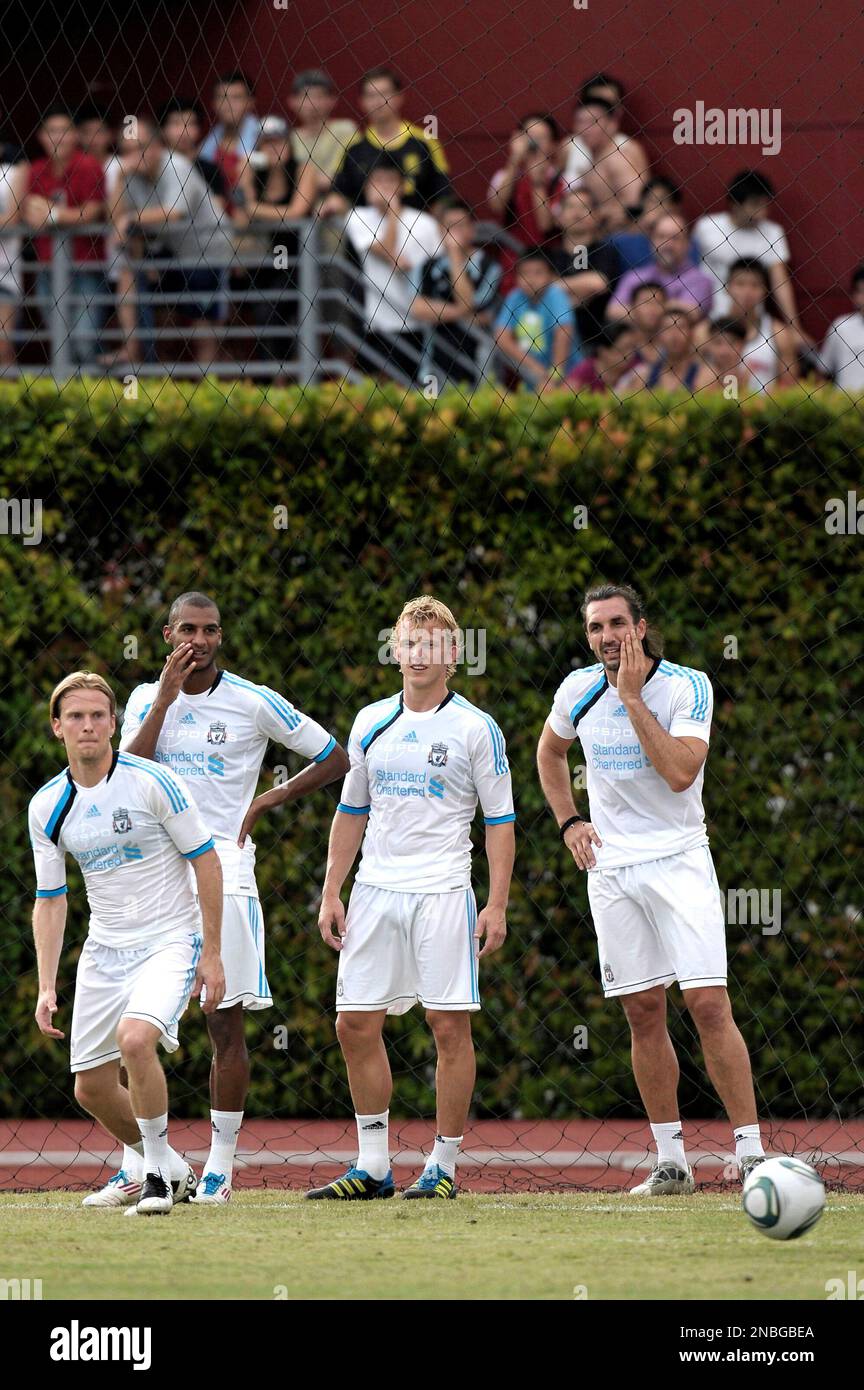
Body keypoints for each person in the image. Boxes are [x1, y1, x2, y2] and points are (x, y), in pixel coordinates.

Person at [536, 583, 766, 1193]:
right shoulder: (575, 690)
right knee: (642, 1011)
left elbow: (679, 772)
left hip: (680, 861)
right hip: (610, 871)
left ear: (640, 626)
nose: (606, 636)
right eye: (594, 627)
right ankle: (673, 1163)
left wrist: (632, 699)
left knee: (709, 1005)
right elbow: (549, 752)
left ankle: (752, 1155)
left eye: (617, 623)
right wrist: (569, 821)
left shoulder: (688, 686)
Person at [118, 592, 347, 1204]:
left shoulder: (250, 700)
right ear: (168, 635)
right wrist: (163, 703)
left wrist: (268, 800)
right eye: (188, 629)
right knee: (132, 1020)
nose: (200, 640)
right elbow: (124, 776)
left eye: (211, 630)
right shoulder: (146, 698)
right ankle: (139, 1164)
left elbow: (334, 756)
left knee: (224, 1026)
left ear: (222, 635)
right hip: (153, 878)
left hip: (225, 868)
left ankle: (219, 1166)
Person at [308, 595, 515, 1200]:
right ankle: (373, 1166)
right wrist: (332, 892)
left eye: (432, 644)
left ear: (453, 655)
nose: (419, 653)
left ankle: (444, 1167)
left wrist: (495, 903)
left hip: (444, 892)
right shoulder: (371, 720)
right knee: (353, 1024)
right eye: (409, 642)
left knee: (447, 1027)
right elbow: (351, 811)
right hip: (374, 892)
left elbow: (500, 820)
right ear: (394, 651)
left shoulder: (477, 728)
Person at [28, 671, 225, 1214]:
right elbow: (50, 898)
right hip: (104, 949)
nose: (87, 725)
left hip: (169, 938)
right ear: (57, 728)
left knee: (136, 1040)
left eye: (97, 715)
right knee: (90, 1089)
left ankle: (157, 1178)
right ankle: (171, 1169)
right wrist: (47, 986)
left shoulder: (152, 781)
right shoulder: (46, 806)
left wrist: (211, 952)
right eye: (75, 717)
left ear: (113, 722)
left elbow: (206, 862)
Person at [112, 116, 236, 367]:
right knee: (131, 280)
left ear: (158, 146)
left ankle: (207, 395)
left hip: (208, 252)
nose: (136, 156)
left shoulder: (176, 165)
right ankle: (132, 351)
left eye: (141, 147)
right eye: (128, 151)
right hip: (169, 251)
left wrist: (130, 218)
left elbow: (173, 212)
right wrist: (117, 179)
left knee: (204, 331)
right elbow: (118, 224)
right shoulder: (129, 174)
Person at [19, 107, 106, 368]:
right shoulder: (35, 169)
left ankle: (95, 401)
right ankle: (68, 402)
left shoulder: (88, 165)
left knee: (84, 341)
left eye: (64, 131)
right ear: (41, 136)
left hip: (86, 266)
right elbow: (28, 211)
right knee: (60, 342)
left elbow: (90, 213)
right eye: (51, 131)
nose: (58, 137)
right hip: (47, 267)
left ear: (75, 136)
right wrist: (61, 214)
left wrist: (52, 215)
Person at [344, 155, 441, 382]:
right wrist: (394, 212)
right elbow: (386, 250)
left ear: (402, 186)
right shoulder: (357, 217)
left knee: (411, 389)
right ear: (367, 186)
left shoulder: (425, 223)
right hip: (376, 322)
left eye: (391, 181)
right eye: (378, 181)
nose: (385, 187)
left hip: (417, 323)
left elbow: (437, 269)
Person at [237, 115, 318, 370]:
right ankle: (275, 378)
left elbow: (297, 212)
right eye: (267, 144)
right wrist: (247, 170)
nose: (275, 149)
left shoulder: (303, 169)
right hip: (262, 257)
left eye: (280, 142)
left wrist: (254, 209)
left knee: (287, 314)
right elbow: (241, 216)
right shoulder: (252, 170)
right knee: (264, 313)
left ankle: (289, 376)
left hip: (297, 256)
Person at [321, 67, 451, 216]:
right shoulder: (353, 147)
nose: (377, 101)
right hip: (366, 236)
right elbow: (340, 194)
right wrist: (331, 205)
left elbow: (442, 196)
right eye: (371, 95)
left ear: (399, 97)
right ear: (362, 102)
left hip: (415, 233)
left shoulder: (425, 142)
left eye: (384, 94)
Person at [694, 170, 802, 336]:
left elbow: (780, 282)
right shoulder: (707, 227)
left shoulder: (773, 233)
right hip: (707, 316)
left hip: (752, 321)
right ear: (735, 204)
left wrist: (795, 328)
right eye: (755, 204)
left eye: (765, 204)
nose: (762, 211)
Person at [410, 200, 501, 388]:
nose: (454, 232)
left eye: (460, 226)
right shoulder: (427, 266)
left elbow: (469, 302)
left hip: (477, 361)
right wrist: (465, 312)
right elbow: (418, 308)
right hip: (434, 360)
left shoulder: (490, 267)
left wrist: (454, 257)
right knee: (432, 413)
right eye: (449, 226)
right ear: (440, 230)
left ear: (472, 230)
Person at [487, 114, 566, 293]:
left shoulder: (562, 180)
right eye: (528, 136)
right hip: (512, 261)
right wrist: (515, 160)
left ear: (553, 145)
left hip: (548, 261)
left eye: (541, 137)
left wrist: (537, 183)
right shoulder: (505, 176)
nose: (533, 143)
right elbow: (496, 206)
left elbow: (546, 225)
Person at [494, 248, 581, 391]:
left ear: (551, 276)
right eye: (525, 273)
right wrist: (537, 369)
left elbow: (563, 333)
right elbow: (501, 336)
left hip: (570, 375)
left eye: (538, 273)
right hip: (535, 378)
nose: (531, 279)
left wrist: (554, 376)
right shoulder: (515, 297)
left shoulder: (556, 295)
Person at [547, 187, 622, 348]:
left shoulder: (605, 251)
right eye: (571, 207)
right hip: (551, 339)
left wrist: (553, 286)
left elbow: (598, 283)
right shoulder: (549, 256)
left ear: (595, 217)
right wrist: (580, 290)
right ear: (559, 217)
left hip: (596, 342)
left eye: (584, 207)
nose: (577, 213)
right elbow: (540, 293)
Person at [607, 213, 713, 322]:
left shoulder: (700, 281)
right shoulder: (634, 276)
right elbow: (613, 311)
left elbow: (690, 313)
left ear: (688, 244)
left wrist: (640, 309)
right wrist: (670, 307)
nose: (668, 244)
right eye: (661, 237)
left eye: (675, 238)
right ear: (651, 242)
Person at [566, 98, 649, 233]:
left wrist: (600, 214)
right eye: (580, 122)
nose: (585, 129)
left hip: (627, 239)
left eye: (593, 122)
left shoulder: (617, 158)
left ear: (612, 124)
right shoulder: (593, 162)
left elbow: (638, 205)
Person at [723, 257, 797, 391]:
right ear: (727, 288)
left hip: (765, 408)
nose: (747, 292)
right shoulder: (706, 332)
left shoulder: (779, 333)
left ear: (765, 291)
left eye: (755, 285)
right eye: (740, 284)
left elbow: (789, 385)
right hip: (719, 407)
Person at [289, 70, 358, 201]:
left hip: (342, 203)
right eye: (306, 97)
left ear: (332, 100)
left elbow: (352, 174)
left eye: (319, 97)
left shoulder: (345, 130)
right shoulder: (291, 139)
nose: (312, 104)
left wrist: (309, 181)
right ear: (292, 102)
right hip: (300, 208)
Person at [624, 308, 714, 394]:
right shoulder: (644, 376)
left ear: (691, 334)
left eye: (681, 327)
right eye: (667, 328)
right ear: (658, 336)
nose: (674, 335)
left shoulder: (705, 376)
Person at [818, 264, 864, 392]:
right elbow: (823, 372)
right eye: (862, 292)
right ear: (854, 296)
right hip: (844, 406)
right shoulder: (841, 327)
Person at [565, 321, 637, 394]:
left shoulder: (636, 369)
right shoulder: (585, 370)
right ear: (602, 351)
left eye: (632, 348)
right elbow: (565, 395)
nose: (629, 354)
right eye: (622, 349)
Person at [699, 316, 758, 395]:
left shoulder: (754, 376)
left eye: (731, 343)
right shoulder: (700, 373)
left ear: (743, 345)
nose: (724, 351)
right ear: (709, 345)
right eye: (718, 343)